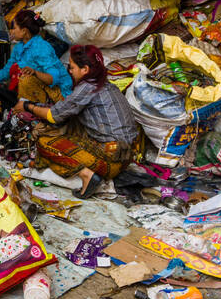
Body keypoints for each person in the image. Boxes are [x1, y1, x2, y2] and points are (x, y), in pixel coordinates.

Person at [14, 44, 141, 198]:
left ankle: (86, 174)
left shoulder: (88, 87)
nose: (70, 71)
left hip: (111, 161)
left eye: (72, 67)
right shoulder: (107, 85)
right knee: (69, 133)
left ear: (85, 70)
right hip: (126, 157)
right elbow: (65, 108)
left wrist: (28, 106)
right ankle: (81, 170)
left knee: (45, 144)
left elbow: (53, 115)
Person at [0, 9, 72, 107]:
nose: (12, 31)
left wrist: (35, 72)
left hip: (59, 94)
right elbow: (6, 72)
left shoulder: (42, 47)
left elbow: (53, 79)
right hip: (39, 89)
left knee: (25, 79)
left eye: (14, 28)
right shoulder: (19, 47)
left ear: (24, 31)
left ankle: (39, 111)